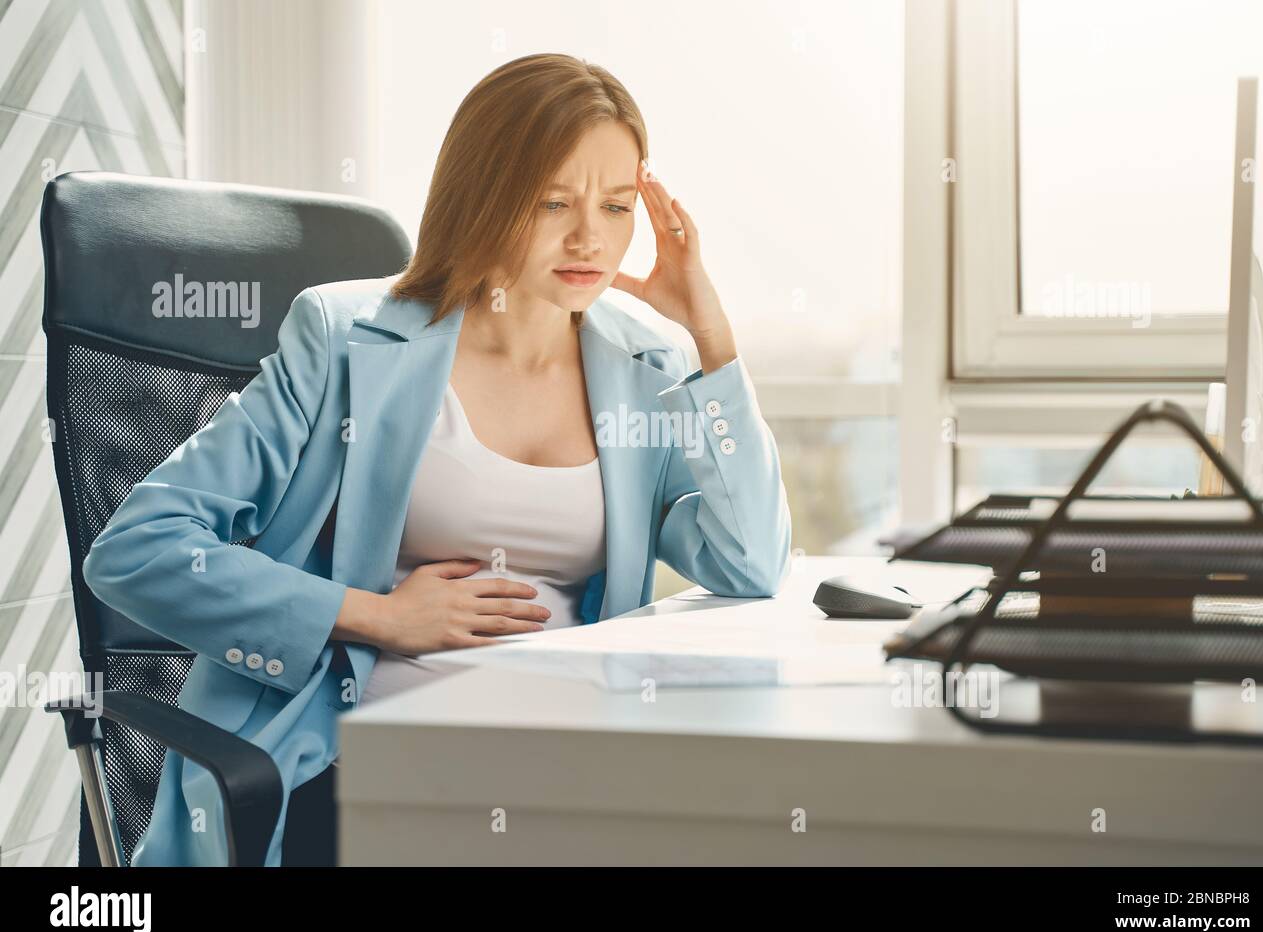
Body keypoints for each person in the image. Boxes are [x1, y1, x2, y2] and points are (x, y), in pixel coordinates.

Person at [82, 52, 792, 866]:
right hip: (371, 766)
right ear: (485, 197)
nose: (590, 237)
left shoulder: (648, 368)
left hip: (572, 768)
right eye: (553, 201)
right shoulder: (345, 339)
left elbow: (749, 562)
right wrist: (376, 613)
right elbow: (137, 551)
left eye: (618, 206)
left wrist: (713, 341)